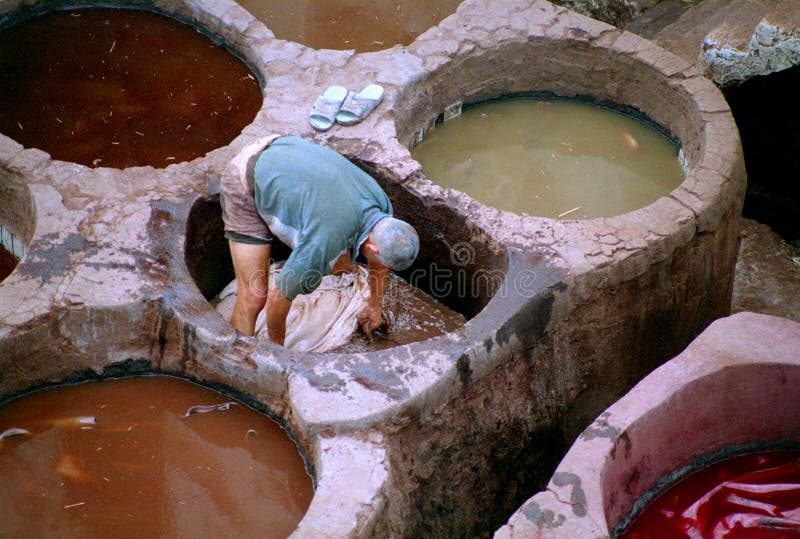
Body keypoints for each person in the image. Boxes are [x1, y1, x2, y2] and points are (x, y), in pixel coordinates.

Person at [220, 135, 419, 346]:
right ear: (372, 246)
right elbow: (279, 295)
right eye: (381, 260)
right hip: (245, 177)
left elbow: (378, 259)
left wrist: (374, 305)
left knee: (341, 262)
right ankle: (233, 357)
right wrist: (278, 351)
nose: (380, 266)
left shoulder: (383, 210)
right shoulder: (324, 241)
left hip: (283, 149)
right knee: (253, 297)